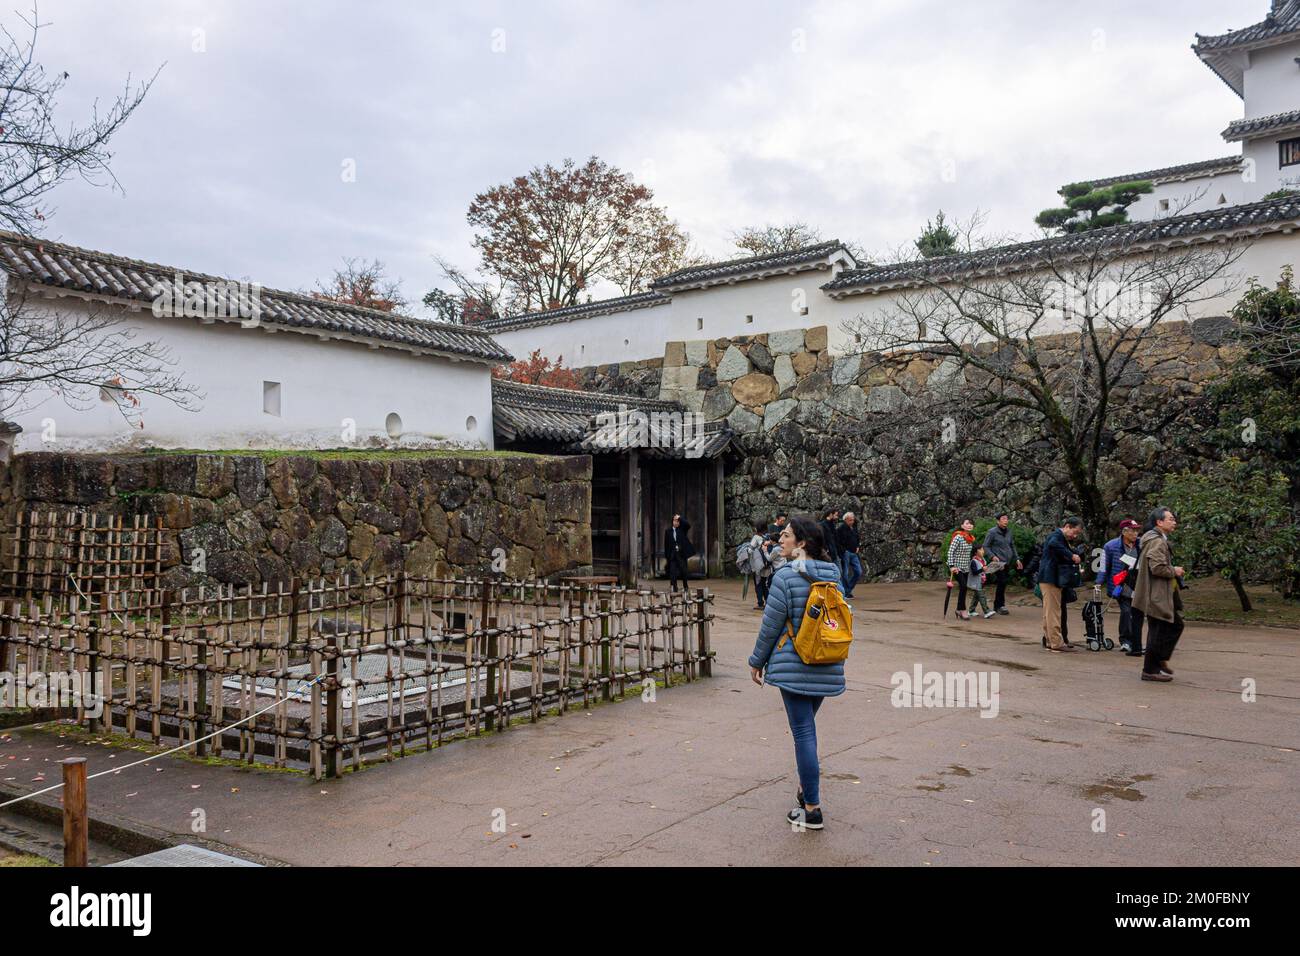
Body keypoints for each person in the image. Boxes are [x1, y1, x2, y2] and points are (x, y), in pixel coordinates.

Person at [748, 515, 845, 831]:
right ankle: (805, 791)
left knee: (804, 732)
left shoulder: (786, 577)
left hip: (793, 664)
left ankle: (813, 810)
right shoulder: (833, 575)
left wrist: (756, 661)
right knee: (808, 729)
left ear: (802, 543)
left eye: (787, 535)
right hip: (826, 662)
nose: (781, 540)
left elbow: (771, 625)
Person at [1132, 506, 1185, 683]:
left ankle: (1159, 660)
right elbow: (1157, 568)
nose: (1174, 521)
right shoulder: (1157, 542)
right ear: (1159, 522)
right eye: (1170, 519)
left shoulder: (1156, 539)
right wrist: (1174, 570)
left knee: (1171, 626)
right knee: (1159, 630)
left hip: (1159, 592)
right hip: (1156, 594)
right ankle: (1150, 669)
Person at [1098, 518, 1145, 656]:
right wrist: (1099, 582)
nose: (1136, 533)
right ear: (1124, 531)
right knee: (1126, 612)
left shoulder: (1142, 544)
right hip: (1121, 585)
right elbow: (1103, 566)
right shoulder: (1110, 546)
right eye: (1133, 530)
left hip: (1138, 585)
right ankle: (1126, 640)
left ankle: (1136, 641)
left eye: (1137, 530)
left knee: (1137, 614)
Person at [1038, 517, 1084, 652]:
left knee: (1049, 611)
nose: (1075, 536)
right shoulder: (1057, 536)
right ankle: (1056, 643)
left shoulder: (1058, 537)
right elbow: (1053, 544)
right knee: (1053, 611)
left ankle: (1049, 640)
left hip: (1048, 577)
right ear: (1067, 526)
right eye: (1074, 532)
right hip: (1050, 577)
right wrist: (1072, 556)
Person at [982, 513, 1023, 614]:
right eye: (1003, 519)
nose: (1006, 520)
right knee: (1002, 581)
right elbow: (985, 546)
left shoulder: (1009, 531)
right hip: (997, 563)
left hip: (1007, 562)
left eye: (1007, 519)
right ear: (998, 521)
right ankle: (999, 606)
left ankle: (998, 605)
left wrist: (1017, 559)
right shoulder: (992, 532)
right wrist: (992, 556)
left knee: (1003, 583)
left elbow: (1012, 545)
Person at [946, 519, 976, 621]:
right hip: (956, 568)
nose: (969, 525)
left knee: (964, 588)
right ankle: (963, 610)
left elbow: (969, 554)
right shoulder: (958, 537)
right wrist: (951, 566)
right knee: (963, 586)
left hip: (966, 568)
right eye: (967, 523)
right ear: (962, 525)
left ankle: (959, 609)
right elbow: (950, 552)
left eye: (971, 524)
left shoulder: (971, 538)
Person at [663, 514, 694, 592]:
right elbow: (666, 545)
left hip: (681, 555)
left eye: (677, 521)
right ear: (672, 521)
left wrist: (680, 518)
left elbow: (688, 525)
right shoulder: (668, 531)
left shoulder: (682, 530)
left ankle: (685, 586)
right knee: (672, 572)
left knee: (684, 571)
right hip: (673, 555)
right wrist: (667, 557)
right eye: (674, 520)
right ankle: (674, 587)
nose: (676, 522)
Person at [748, 519, 774, 609]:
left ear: (757, 528)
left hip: (758, 565)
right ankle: (768, 602)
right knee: (765, 584)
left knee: (758, 584)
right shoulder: (768, 537)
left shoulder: (756, 537)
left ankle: (760, 603)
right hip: (767, 564)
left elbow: (750, 550)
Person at [836, 511, 862, 599]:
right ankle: (846, 592)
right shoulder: (840, 529)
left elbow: (857, 537)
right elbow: (837, 542)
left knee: (858, 572)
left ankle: (847, 590)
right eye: (850, 520)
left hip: (854, 553)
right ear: (846, 520)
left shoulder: (854, 527)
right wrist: (844, 551)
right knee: (845, 573)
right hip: (846, 553)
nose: (852, 522)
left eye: (853, 520)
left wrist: (858, 546)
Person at [967, 544, 994, 618]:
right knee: (982, 596)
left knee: (976, 597)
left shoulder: (983, 560)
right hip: (975, 582)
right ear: (976, 552)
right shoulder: (973, 561)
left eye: (983, 549)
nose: (983, 551)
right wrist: (982, 569)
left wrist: (990, 570)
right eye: (981, 549)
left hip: (981, 582)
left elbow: (984, 570)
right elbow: (974, 572)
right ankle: (987, 611)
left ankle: (971, 611)